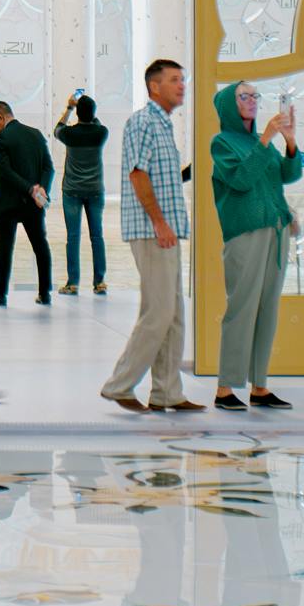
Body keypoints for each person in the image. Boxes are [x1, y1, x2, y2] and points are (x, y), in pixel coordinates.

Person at [101, 58, 203, 415]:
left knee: (174, 314)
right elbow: (137, 174)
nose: (182, 86)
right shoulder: (143, 122)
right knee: (158, 312)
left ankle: (167, 392)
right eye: (175, 80)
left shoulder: (163, 126)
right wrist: (159, 222)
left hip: (167, 230)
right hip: (152, 230)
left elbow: (164, 177)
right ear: (154, 86)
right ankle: (120, 384)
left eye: (183, 80)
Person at [207, 81, 303, 410]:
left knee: (268, 310)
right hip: (245, 233)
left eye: (254, 96)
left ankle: (260, 387)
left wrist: (289, 141)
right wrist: (266, 139)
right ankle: (224, 389)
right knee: (242, 308)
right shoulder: (222, 143)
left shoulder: (259, 142)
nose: (251, 101)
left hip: (276, 231)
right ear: (229, 106)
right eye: (243, 96)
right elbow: (241, 179)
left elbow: (288, 176)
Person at [0, 99, 55, 306]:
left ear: (1, 117)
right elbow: (48, 168)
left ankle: (1, 294)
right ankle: (44, 293)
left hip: (8, 202)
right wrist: (40, 189)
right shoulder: (35, 134)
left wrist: (29, 189)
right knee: (40, 246)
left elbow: (6, 171)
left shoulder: (1, 138)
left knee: (5, 249)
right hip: (33, 204)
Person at [56, 91, 109, 295]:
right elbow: (95, 122)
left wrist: (69, 107)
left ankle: (73, 282)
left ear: (77, 113)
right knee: (97, 236)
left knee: (73, 236)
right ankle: (99, 282)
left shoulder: (70, 134)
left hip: (72, 191)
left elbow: (58, 128)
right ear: (94, 113)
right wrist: (88, 112)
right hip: (95, 190)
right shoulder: (101, 133)